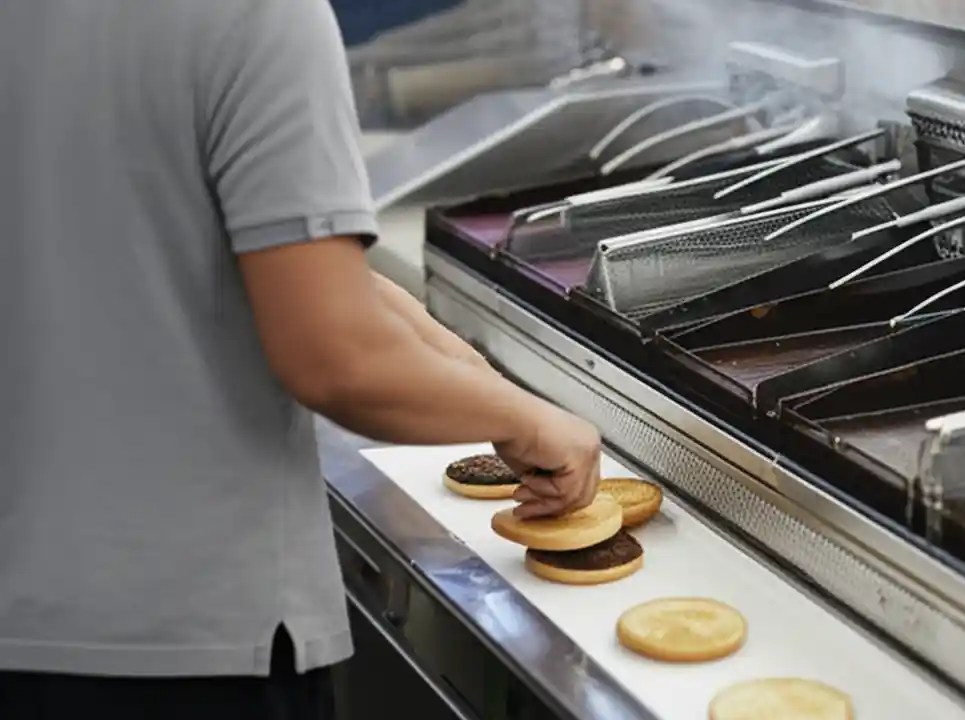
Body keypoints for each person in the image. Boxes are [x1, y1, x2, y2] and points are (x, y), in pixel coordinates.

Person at [0, 0, 602, 717]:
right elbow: (333, 355)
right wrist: (525, 421)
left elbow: (276, 269)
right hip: (179, 644)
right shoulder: (258, 16)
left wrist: (488, 389)